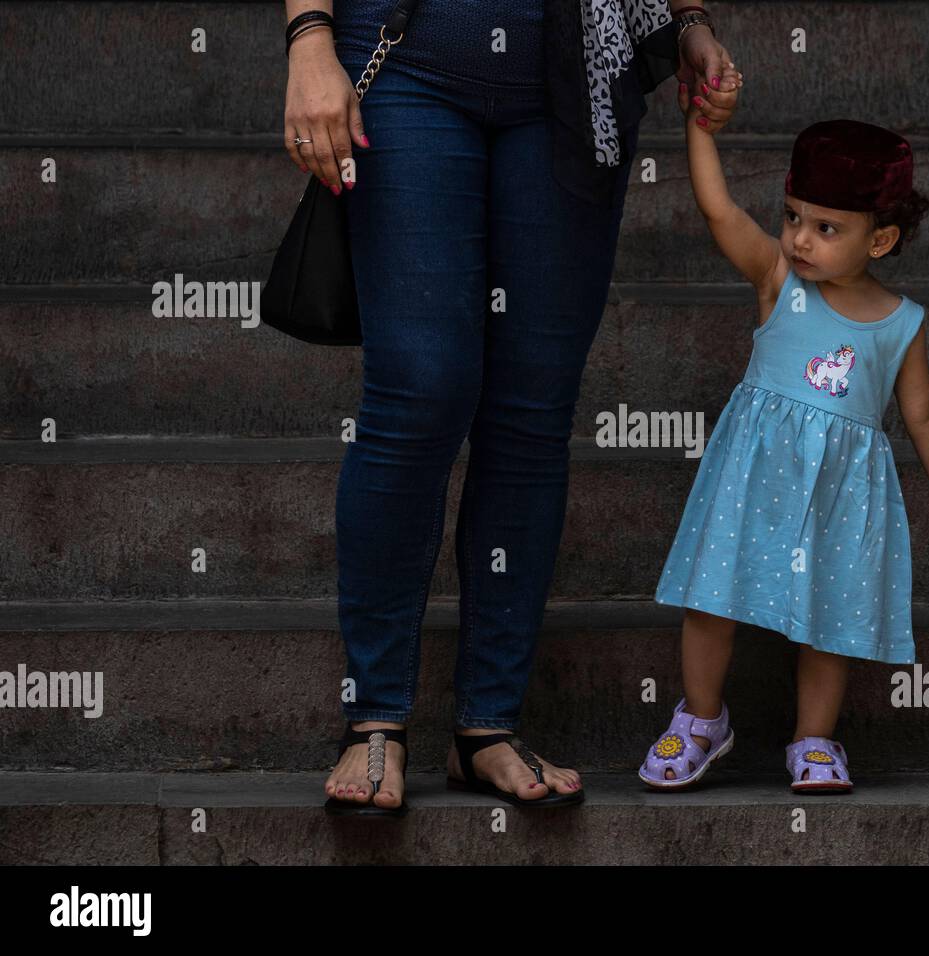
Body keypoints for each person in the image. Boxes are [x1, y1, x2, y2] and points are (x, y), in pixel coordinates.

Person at [279, 0, 740, 812]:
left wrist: (690, 19)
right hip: (408, 53)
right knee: (420, 386)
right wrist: (309, 38)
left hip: (571, 75)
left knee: (532, 407)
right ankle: (375, 718)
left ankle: (486, 724)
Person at [641, 106, 929, 792]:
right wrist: (699, 122)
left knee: (830, 617)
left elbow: (922, 413)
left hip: (838, 494)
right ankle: (701, 720)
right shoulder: (778, 280)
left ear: (881, 239)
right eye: (793, 216)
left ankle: (816, 740)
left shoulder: (901, 324)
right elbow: (718, 209)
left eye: (827, 228)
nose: (800, 238)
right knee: (710, 599)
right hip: (752, 478)